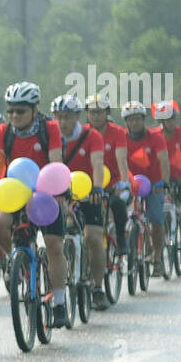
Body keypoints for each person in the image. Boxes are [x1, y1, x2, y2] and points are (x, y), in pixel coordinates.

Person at [0, 82, 71, 327]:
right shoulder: (3, 132)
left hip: (45, 194)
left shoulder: (49, 128)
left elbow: (55, 160)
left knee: (53, 245)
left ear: (34, 110)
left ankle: (60, 301)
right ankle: (15, 262)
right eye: (10, 111)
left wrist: (59, 190)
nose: (14, 116)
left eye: (20, 111)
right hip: (13, 193)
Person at [52, 95, 108, 310]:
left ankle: (98, 287)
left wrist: (97, 188)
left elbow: (98, 163)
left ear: (77, 116)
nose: (63, 122)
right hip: (60, 192)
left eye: (67, 117)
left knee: (93, 237)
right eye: (59, 117)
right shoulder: (51, 136)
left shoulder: (91, 136)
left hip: (87, 192)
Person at [120, 100, 170, 272]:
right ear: (126, 122)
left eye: (138, 119)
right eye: (130, 119)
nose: (134, 123)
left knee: (156, 219)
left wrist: (163, 182)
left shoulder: (155, 138)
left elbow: (164, 161)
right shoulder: (122, 138)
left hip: (154, 183)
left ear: (144, 120)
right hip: (130, 183)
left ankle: (157, 258)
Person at [86, 93, 131, 256]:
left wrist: (124, 183)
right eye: (92, 112)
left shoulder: (117, 132)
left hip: (113, 183)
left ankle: (121, 238)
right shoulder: (84, 133)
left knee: (118, 204)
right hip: (87, 185)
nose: (96, 116)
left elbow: (121, 158)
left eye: (100, 112)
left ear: (107, 113)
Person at [154, 100, 181, 262]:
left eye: (172, 118)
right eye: (166, 119)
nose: (170, 122)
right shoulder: (155, 136)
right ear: (160, 121)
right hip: (163, 180)